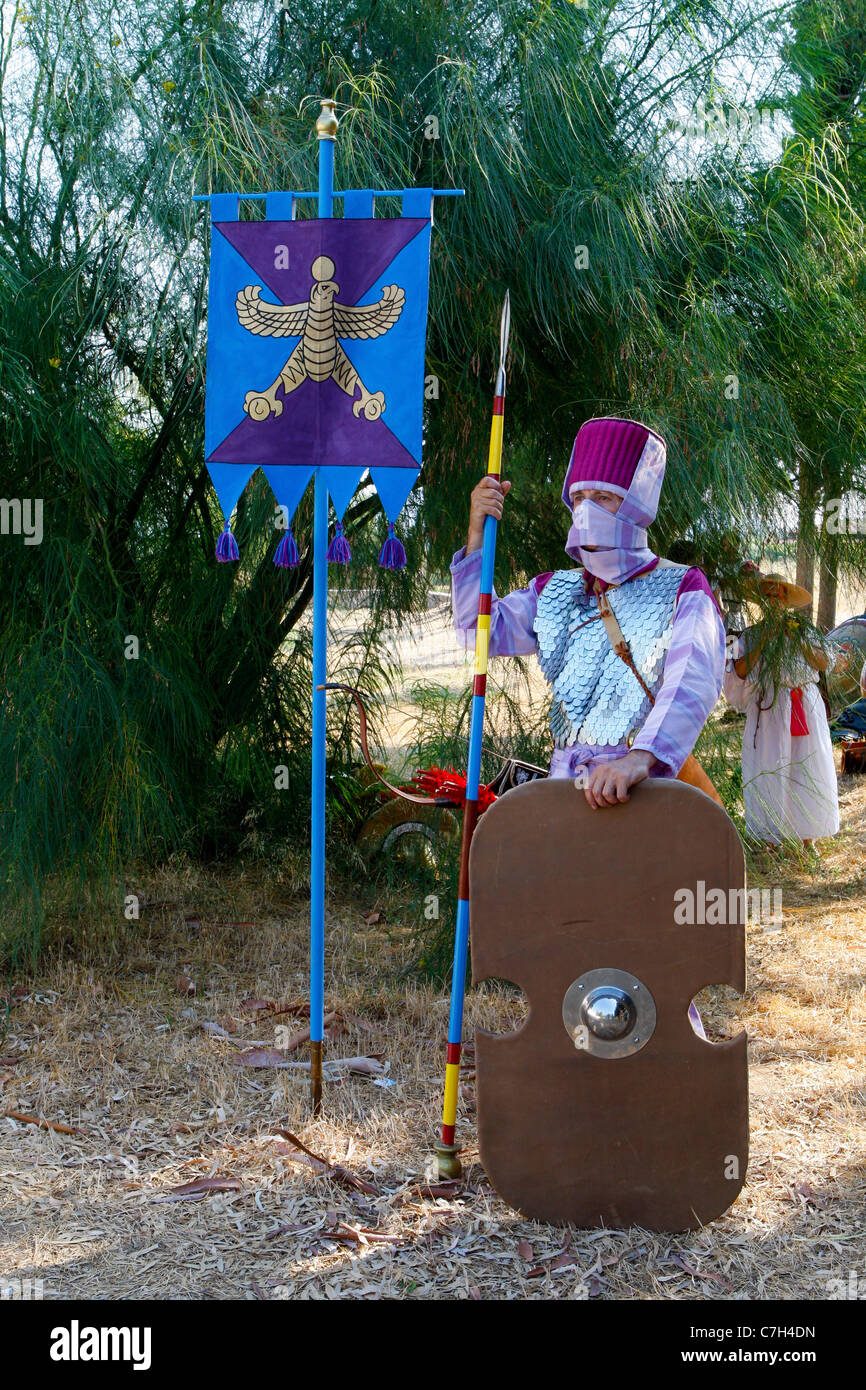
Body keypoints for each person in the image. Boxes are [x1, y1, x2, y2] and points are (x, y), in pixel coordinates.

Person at [450, 416, 727, 811]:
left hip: (644, 791)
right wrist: (477, 536)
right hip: (568, 790)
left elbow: (692, 682)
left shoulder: (683, 588)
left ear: (635, 504)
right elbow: (478, 634)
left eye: (603, 498)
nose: (586, 511)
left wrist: (639, 759)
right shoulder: (554, 591)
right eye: (579, 498)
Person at [722, 573, 839, 847]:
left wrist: (796, 637)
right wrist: (766, 637)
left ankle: (807, 837)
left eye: (780, 595)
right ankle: (771, 837)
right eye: (770, 595)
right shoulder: (751, 635)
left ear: (786, 600)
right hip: (770, 709)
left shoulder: (804, 631)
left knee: (807, 766)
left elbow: (823, 662)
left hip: (805, 706)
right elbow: (737, 671)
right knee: (771, 766)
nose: (775, 600)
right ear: (763, 601)